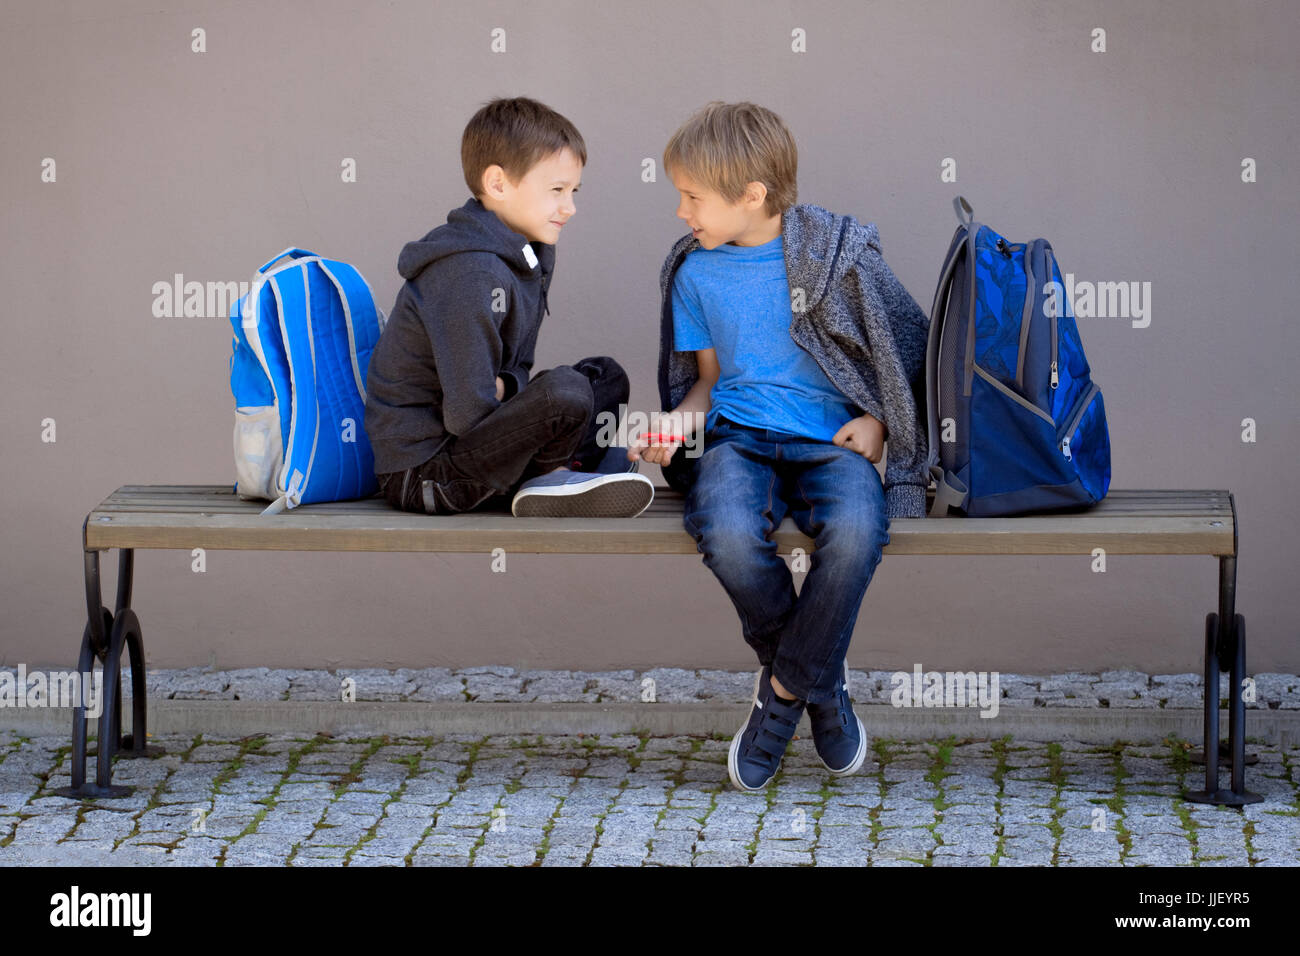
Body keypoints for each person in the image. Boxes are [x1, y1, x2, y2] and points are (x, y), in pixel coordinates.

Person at [629, 101, 931, 792]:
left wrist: (880, 423)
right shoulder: (695, 274)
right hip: (738, 437)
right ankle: (820, 679)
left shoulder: (835, 261)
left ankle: (783, 694)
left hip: (829, 440)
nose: (681, 212)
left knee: (857, 531)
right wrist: (681, 422)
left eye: (693, 197)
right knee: (728, 532)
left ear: (752, 195)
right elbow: (707, 384)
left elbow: (897, 351)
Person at [365, 96, 654, 519]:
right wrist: (506, 389)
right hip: (426, 474)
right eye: (556, 190)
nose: (570, 207)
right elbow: (467, 413)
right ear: (498, 184)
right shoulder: (469, 273)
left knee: (603, 377)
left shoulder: (527, 256)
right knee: (566, 392)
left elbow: (514, 371)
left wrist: (507, 386)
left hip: (470, 444)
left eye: (573, 191)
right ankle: (554, 476)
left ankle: (561, 474)